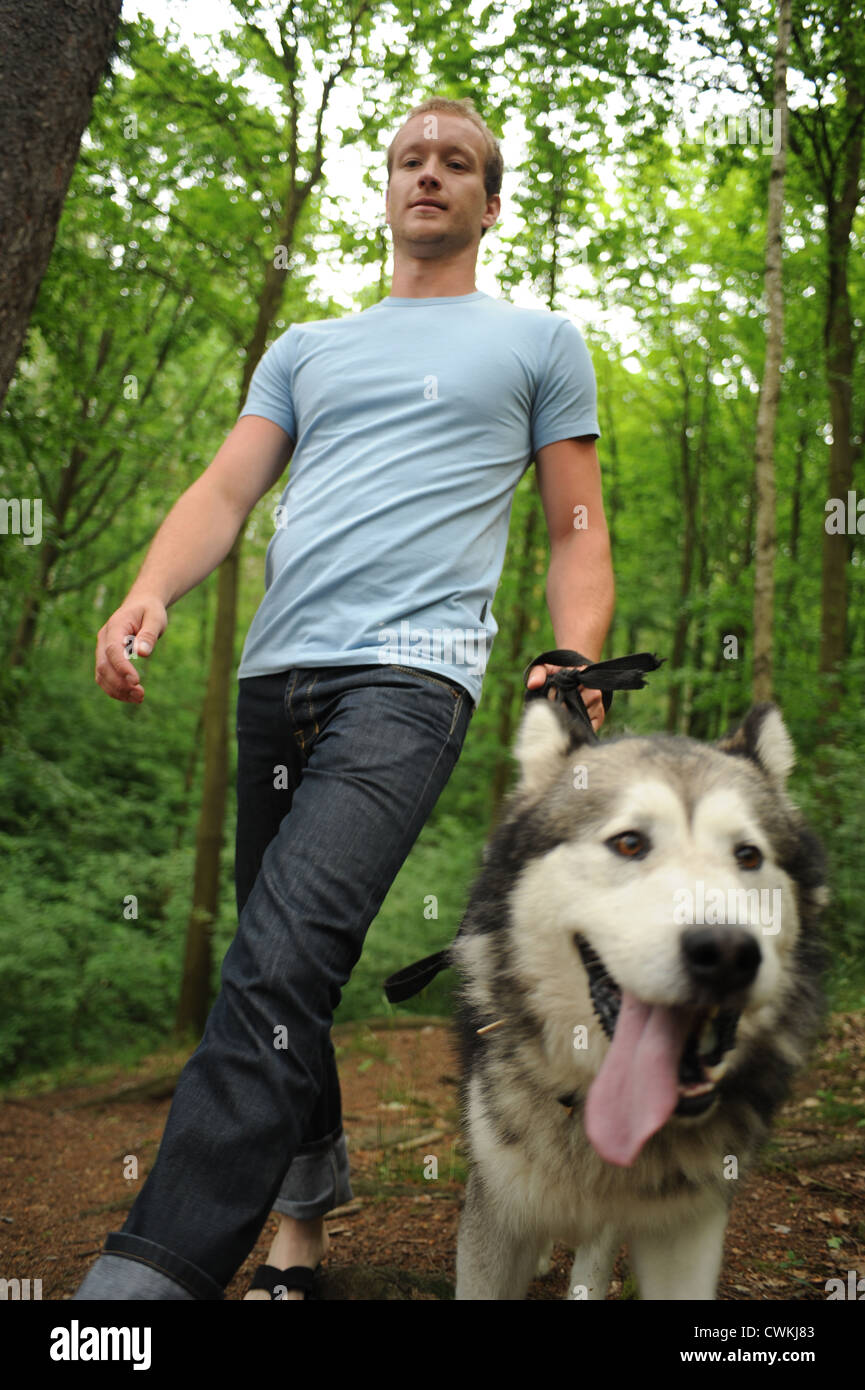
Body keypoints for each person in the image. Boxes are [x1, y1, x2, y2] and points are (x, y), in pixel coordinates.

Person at [76, 94, 614, 1301]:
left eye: (458, 162)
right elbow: (225, 490)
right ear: (387, 189)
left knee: (281, 953)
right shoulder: (308, 346)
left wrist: (573, 655)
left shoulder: (537, 342)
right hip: (275, 679)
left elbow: (576, 526)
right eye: (411, 158)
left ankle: (147, 1276)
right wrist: (148, 591)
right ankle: (301, 1230)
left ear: (488, 199)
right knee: (276, 961)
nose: (430, 174)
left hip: (411, 679)